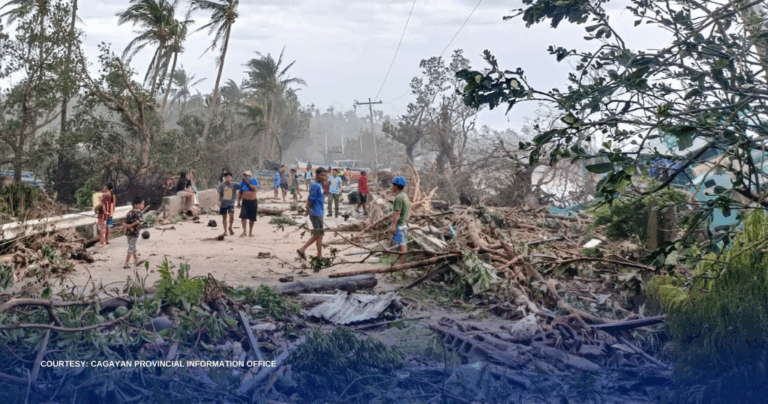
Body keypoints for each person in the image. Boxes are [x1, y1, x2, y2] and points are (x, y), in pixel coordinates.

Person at [297, 167, 327, 260]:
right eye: (321, 175)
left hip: (319, 212)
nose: (323, 177)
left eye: (324, 175)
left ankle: (307, 251)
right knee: (319, 234)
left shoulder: (320, 185)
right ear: (317, 175)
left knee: (319, 234)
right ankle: (315, 254)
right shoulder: (315, 186)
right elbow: (310, 199)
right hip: (315, 212)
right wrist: (307, 210)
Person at [391, 176, 410, 265]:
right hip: (404, 224)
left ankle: (402, 265)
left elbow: (397, 213)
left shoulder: (399, 198)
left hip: (400, 225)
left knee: (402, 245)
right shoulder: (405, 196)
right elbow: (409, 209)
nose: (392, 187)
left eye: (393, 185)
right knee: (402, 244)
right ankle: (401, 263)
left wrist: (393, 226)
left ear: (396, 186)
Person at [123, 196, 146, 269]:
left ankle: (136, 261)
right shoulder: (139, 213)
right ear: (137, 205)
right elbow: (138, 222)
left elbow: (123, 222)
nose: (143, 205)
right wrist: (131, 225)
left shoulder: (129, 213)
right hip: (134, 233)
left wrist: (127, 226)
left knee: (133, 246)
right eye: (142, 204)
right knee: (131, 247)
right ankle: (126, 264)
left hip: (128, 233)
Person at [238, 170, 259, 237]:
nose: (246, 177)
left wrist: (248, 183)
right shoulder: (242, 182)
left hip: (252, 201)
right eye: (245, 175)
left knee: (252, 217)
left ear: (250, 176)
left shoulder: (254, 180)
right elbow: (240, 192)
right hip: (245, 201)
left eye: (247, 175)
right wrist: (238, 201)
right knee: (243, 216)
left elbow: (255, 189)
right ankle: (244, 231)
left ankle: (250, 232)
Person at [217, 171, 239, 236]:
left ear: (231, 177)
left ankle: (230, 227)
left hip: (231, 203)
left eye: (229, 177)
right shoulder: (221, 185)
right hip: (223, 203)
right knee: (224, 217)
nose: (227, 178)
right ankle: (225, 231)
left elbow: (242, 187)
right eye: (226, 177)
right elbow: (219, 193)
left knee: (231, 216)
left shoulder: (234, 184)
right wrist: (218, 201)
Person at [95, 182, 114, 247]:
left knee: (102, 228)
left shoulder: (104, 195)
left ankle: (103, 242)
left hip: (102, 213)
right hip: (108, 213)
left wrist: (96, 210)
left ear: (106, 187)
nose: (103, 188)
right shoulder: (111, 195)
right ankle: (106, 240)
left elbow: (101, 204)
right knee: (106, 227)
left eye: (104, 186)